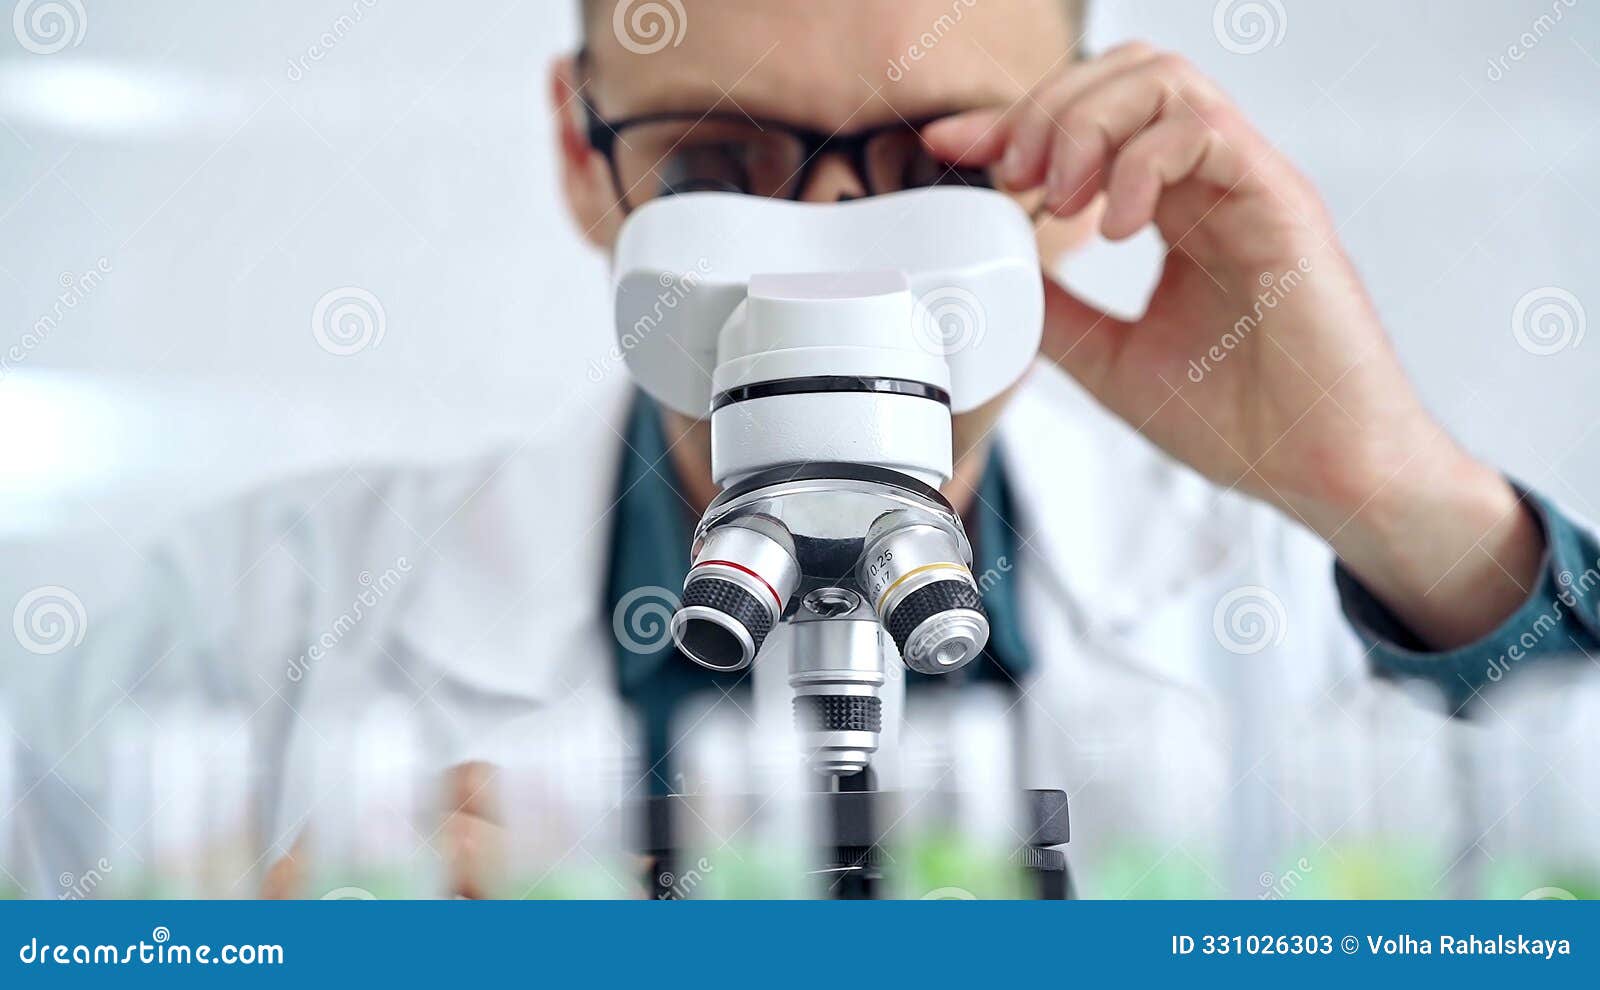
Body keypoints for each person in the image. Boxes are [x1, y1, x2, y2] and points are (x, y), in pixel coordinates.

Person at [6, 0, 1598, 899]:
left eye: (939, 163)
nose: (829, 252)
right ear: (584, 158)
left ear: (1069, 171)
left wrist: (1396, 502)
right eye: (718, 160)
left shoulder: (1301, 608)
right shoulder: (245, 620)